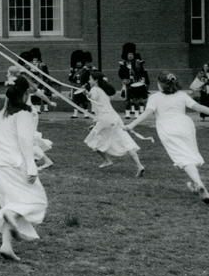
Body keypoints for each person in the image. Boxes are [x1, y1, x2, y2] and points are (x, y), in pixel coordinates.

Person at [0, 77, 48, 261]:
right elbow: (25, 141)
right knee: (37, 200)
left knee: (12, 203)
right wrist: (32, 167)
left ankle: (6, 246)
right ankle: (10, 216)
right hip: (12, 162)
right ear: (26, 93)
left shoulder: (2, 115)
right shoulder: (25, 113)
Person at [125, 72, 209, 204]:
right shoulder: (182, 95)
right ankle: (195, 184)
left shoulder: (155, 97)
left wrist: (131, 125)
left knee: (183, 158)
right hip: (185, 125)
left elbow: (147, 113)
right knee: (189, 155)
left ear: (160, 84)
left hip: (168, 128)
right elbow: (198, 107)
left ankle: (198, 183)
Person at [83, 71, 145, 176]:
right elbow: (101, 107)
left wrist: (87, 93)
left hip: (105, 119)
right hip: (114, 118)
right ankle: (139, 165)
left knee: (92, 140)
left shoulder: (95, 89)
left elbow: (93, 97)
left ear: (95, 80)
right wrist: (95, 124)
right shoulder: (103, 90)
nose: (89, 81)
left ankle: (107, 160)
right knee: (125, 140)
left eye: (90, 79)